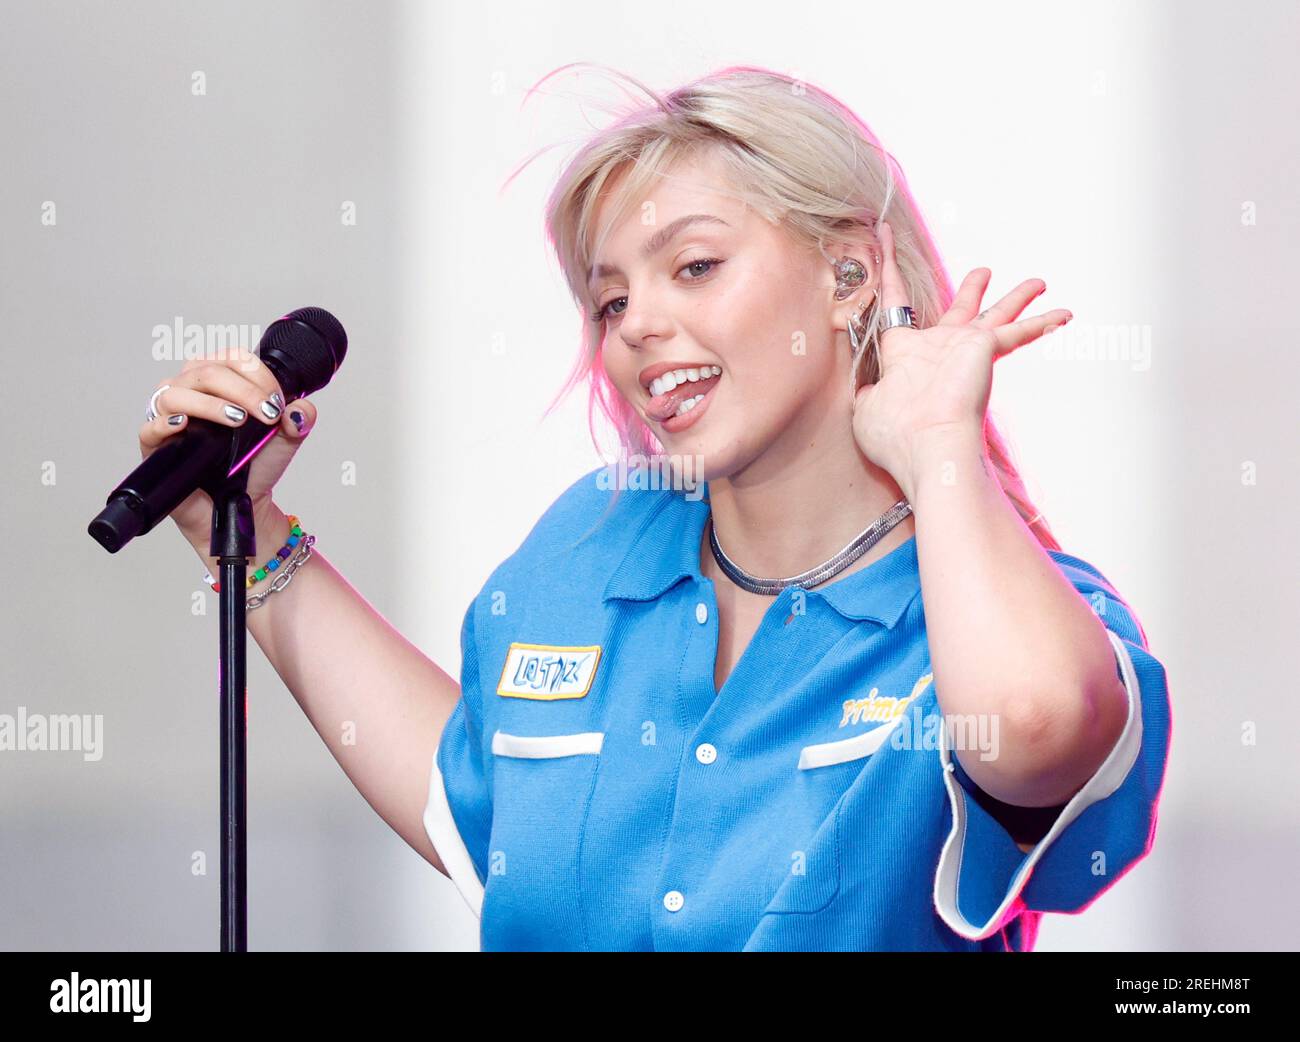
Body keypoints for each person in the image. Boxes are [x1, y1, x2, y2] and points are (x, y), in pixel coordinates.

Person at [137, 65, 1171, 952]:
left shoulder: (998, 601)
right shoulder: (590, 545)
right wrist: (246, 538)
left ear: (849, 270)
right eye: (611, 300)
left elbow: (1033, 727)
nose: (636, 327)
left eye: (694, 266)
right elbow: (470, 803)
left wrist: (937, 444)